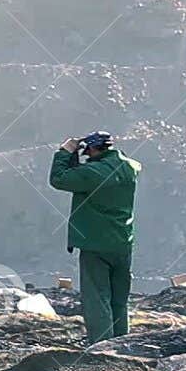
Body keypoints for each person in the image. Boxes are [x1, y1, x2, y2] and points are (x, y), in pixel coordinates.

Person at [49, 131, 142, 344]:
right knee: (119, 299)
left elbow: (59, 179)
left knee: (97, 298)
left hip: (95, 243)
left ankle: (101, 346)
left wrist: (65, 152)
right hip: (122, 242)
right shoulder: (129, 167)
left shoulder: (93, 173)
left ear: (92, 148)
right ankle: (120, 344)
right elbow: (124, 162)